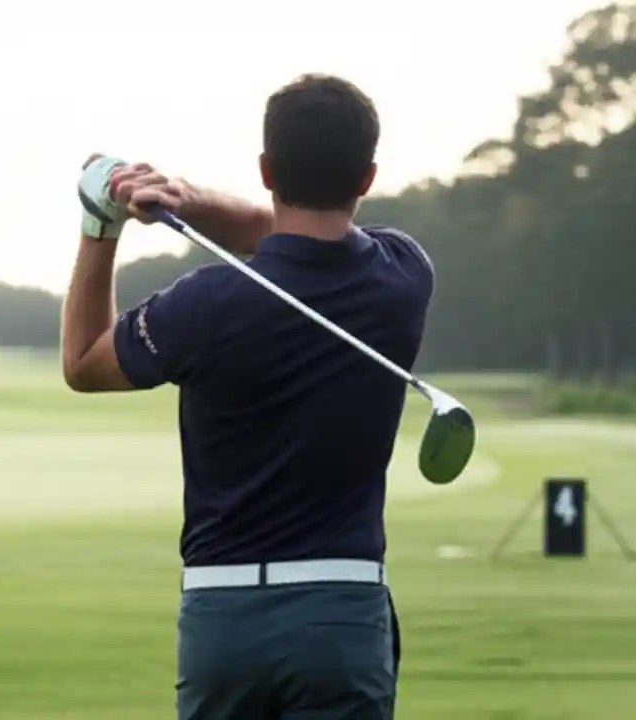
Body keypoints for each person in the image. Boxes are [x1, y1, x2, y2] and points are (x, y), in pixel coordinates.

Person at [62, 72, 435, 719]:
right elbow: (291, 236)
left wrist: (103, 223)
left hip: (224, 617)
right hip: (341, 614)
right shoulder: (403, 275)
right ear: (367, 178)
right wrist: (180, 200)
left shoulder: (202, 302)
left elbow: (84, 362)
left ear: (265, 169)